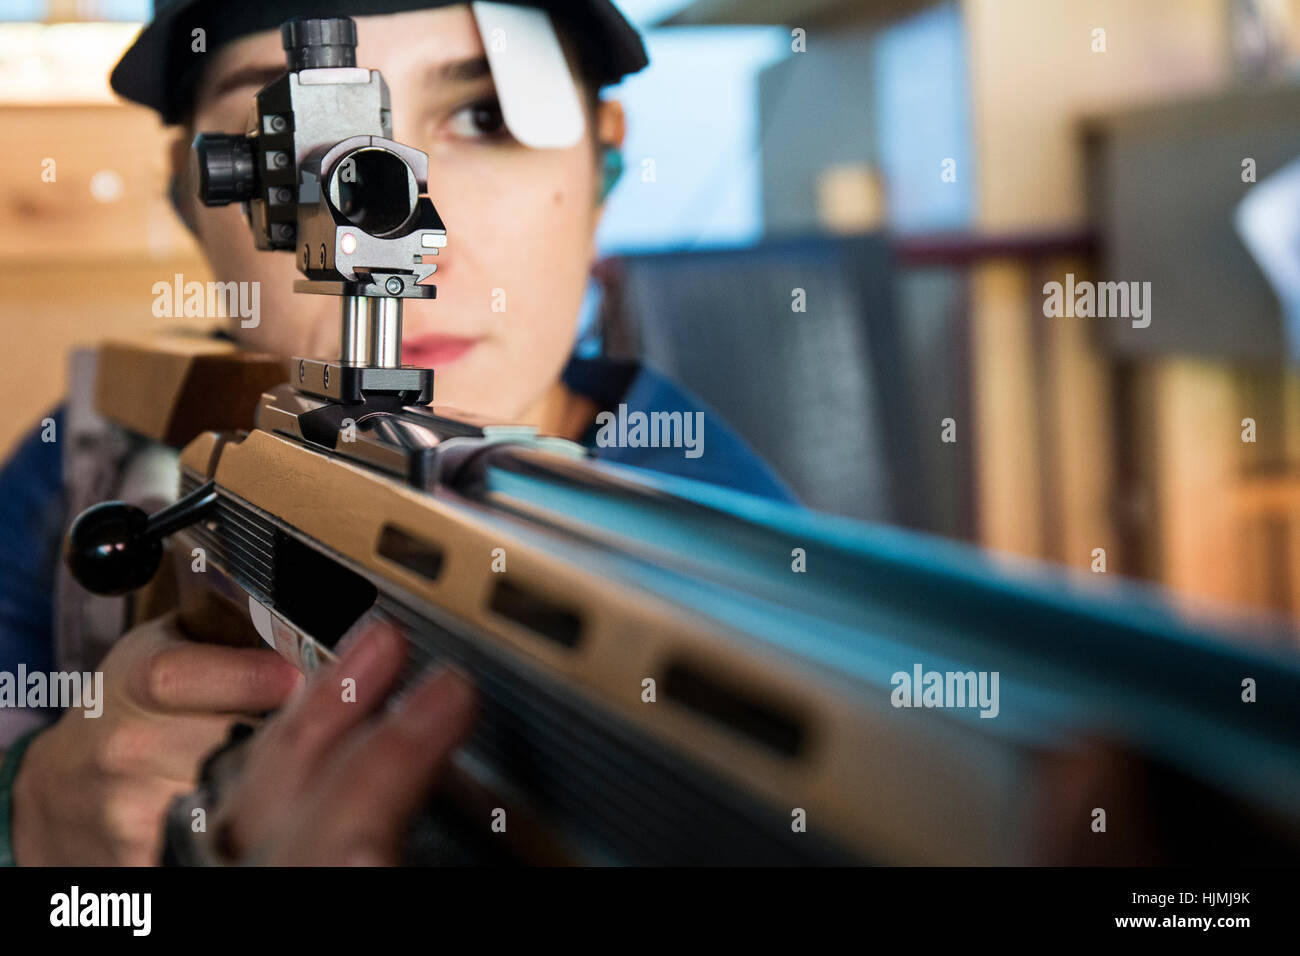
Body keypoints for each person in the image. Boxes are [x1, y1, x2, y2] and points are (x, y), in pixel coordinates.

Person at [0, 0, 795, 865]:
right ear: (196, 192)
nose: (403, 218)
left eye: (483, 118)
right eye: (303, 133)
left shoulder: (754, 585)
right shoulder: (89, 460)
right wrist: (33, 811)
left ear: (605, 156)